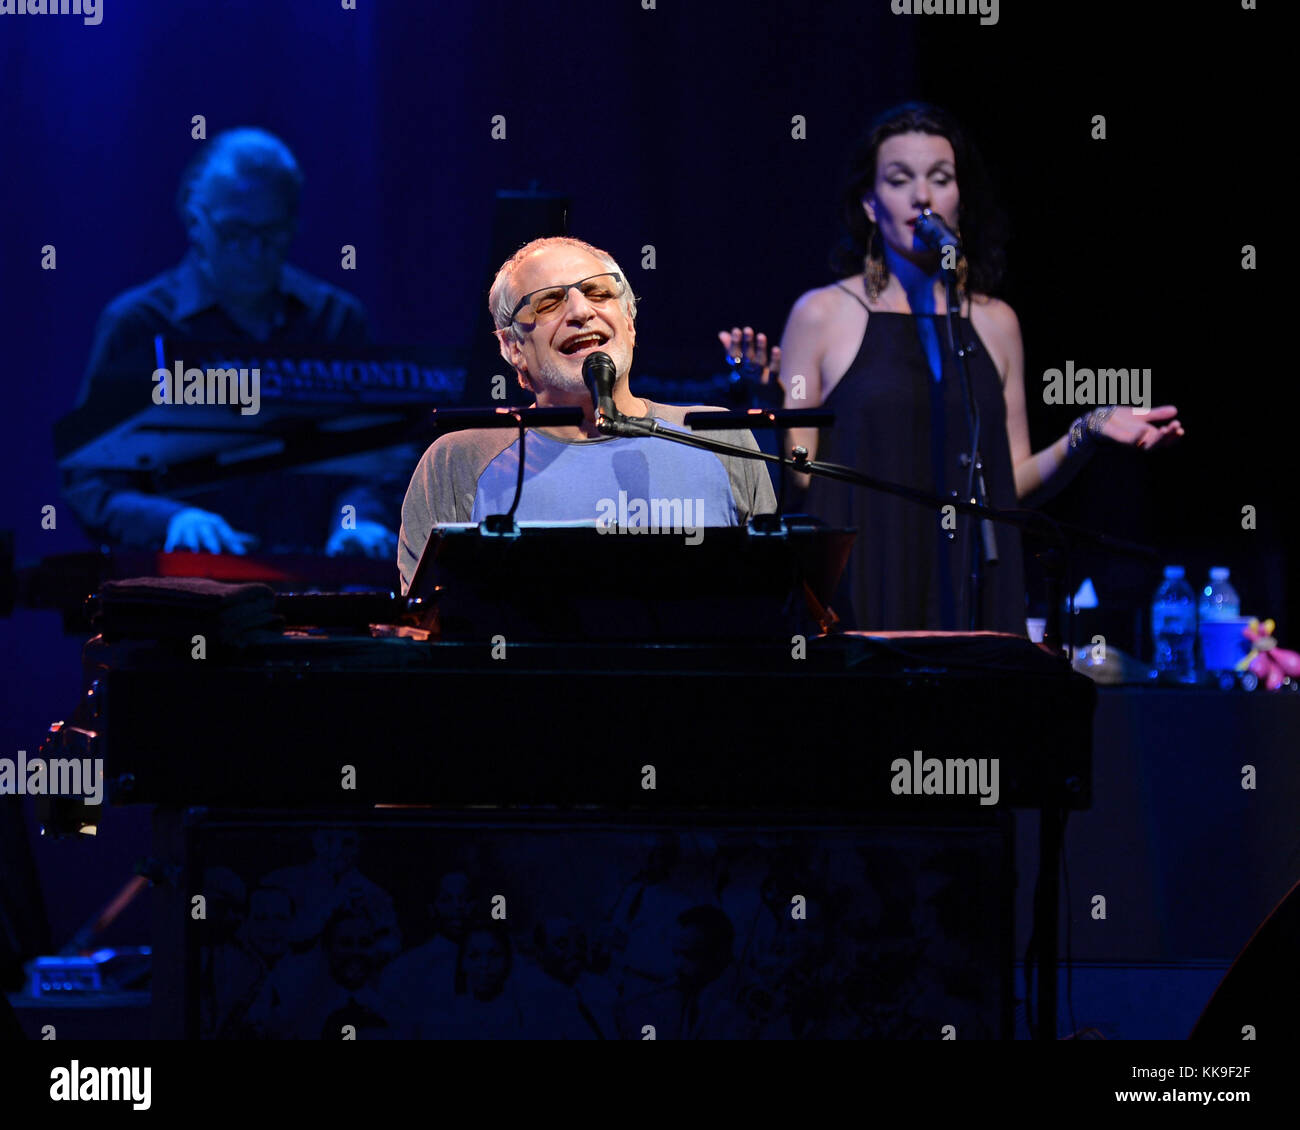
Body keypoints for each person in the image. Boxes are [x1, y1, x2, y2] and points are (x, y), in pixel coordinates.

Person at [724, 103, 1184, 633]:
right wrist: (766, 402)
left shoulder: (996, 322)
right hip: (866, 581)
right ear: (871, 204)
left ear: (958, 200)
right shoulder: (822, 313)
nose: (922, 196)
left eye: (940, 179)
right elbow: (800, 476)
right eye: (900, 180)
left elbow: (1011, 482)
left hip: (975, 582)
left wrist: (1088, 430)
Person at [63, 127, 401, 559]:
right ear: (194, 220)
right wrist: (172, 520)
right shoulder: (138, 325)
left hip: (314, 598)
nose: (255, 252)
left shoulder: (336, 322)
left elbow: (374, 459)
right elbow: (90, 479)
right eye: (235, 232)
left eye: (273, 232)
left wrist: (357, 520)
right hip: (179, 604)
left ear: (294, 223)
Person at [398, 236, 777, 592]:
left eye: (598, 293)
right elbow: (422, 634)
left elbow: (775, 604)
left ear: (629, 322)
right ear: (513, 347)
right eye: (548, 302)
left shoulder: (720, 436)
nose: (581, 311)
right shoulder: (458, 461)